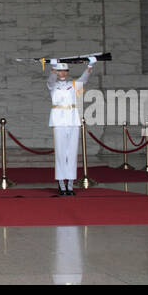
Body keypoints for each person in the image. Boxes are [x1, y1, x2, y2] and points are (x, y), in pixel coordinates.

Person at [46, 56, 95, 196]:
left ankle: (70, 184)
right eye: (60, 71)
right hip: (59, 121)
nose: (63, 73)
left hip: (73, 120)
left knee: (72, 153)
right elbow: (50, 81)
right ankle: (61, 184)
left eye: (65, 71)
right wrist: (53, 69)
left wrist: (90, 66)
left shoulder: (73, 85)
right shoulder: (53, 85)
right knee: (61, 153)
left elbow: (84, 80)